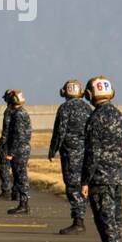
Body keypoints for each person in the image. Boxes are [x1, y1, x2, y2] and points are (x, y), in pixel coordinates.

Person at [81, 76, 122, 242]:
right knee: (115, 219)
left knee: (104, 219)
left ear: (90, 95)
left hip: (100, 177)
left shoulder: (95, 118)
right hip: (117, 176)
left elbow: (93, 153)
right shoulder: (119, 116)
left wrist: (84, 180)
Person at [49, 79, 93, 234]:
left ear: (64, 92)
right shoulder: (88, 108)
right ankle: (81, 216)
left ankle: (78, 221)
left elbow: (59, 131)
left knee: (72, 186)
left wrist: (52, 150)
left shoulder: (64, 108)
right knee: (84, 184)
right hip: (86, 152)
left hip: (70, 153)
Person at [2, 89, 32, 214]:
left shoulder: (18, 114)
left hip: (19, 150)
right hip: (22, 148)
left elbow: (17, 135)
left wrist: (11, 153)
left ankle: (24, 204)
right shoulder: (20, 112)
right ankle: (22, 202)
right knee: (19, 175)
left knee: (21, 176)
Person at [0, 91, 15, 201]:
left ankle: (6, 191)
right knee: (17, 169)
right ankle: (17, 192)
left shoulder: (9, 111)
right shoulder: (20, 111)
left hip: (8, 145)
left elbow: (6, 131)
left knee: (3, 167)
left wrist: (1, 144)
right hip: (18, 145)